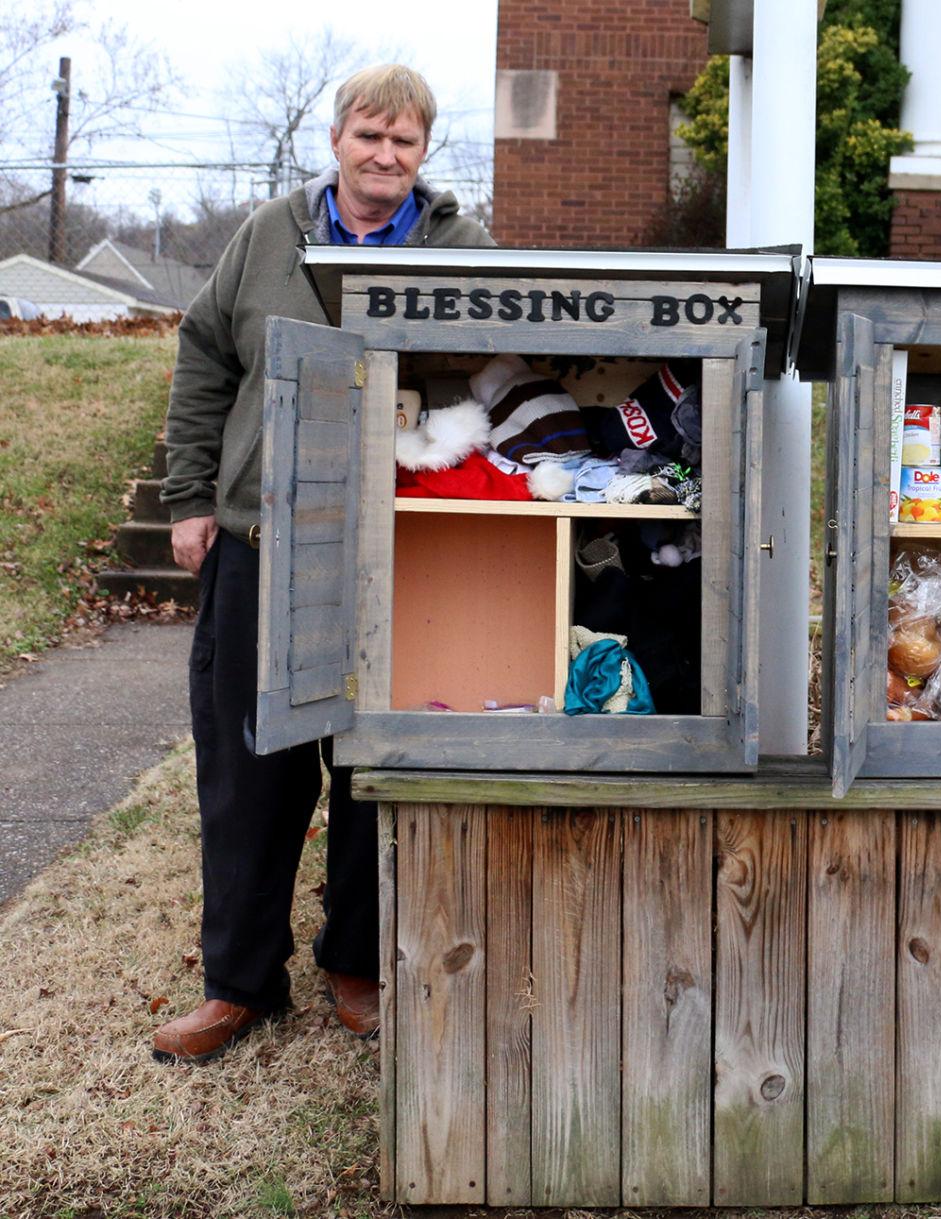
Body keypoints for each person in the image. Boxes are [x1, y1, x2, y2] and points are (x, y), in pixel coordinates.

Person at [154, 64, 494, 1064]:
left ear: (424, 153)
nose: (384, 155)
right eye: (368, 135)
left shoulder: (458, 246)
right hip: (263, 541)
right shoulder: (267, 236)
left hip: (396, 549)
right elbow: (206, 355)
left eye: (405, 140)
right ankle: (238, 984)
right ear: (336, 137)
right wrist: (189, 496)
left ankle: (356, 963)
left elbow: (503, 360)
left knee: (371, 768)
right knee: (249, 774)